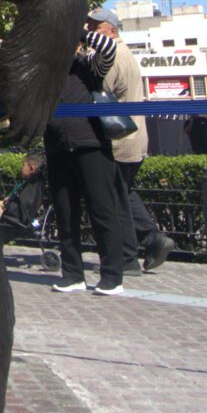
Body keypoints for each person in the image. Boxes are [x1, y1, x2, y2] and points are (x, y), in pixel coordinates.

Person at [82, 7, 173, 273]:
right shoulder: (126, 54)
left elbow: (98, 90)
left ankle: (127, 258)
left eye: (95, 27)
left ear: (111, 29)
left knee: (115, 199)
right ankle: (151, 238)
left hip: (119, 140)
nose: (90, 32)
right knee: (125, 193)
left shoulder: (112, 58)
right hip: (134, 137)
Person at [43, 60, 131, 295]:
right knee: (65, 213)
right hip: (57, 147)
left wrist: (78, 29)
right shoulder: (46, 69)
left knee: (102, 210)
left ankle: (112, 276)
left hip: (91, 146)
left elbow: (108, 50)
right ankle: (72, 274)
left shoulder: (89, 65)